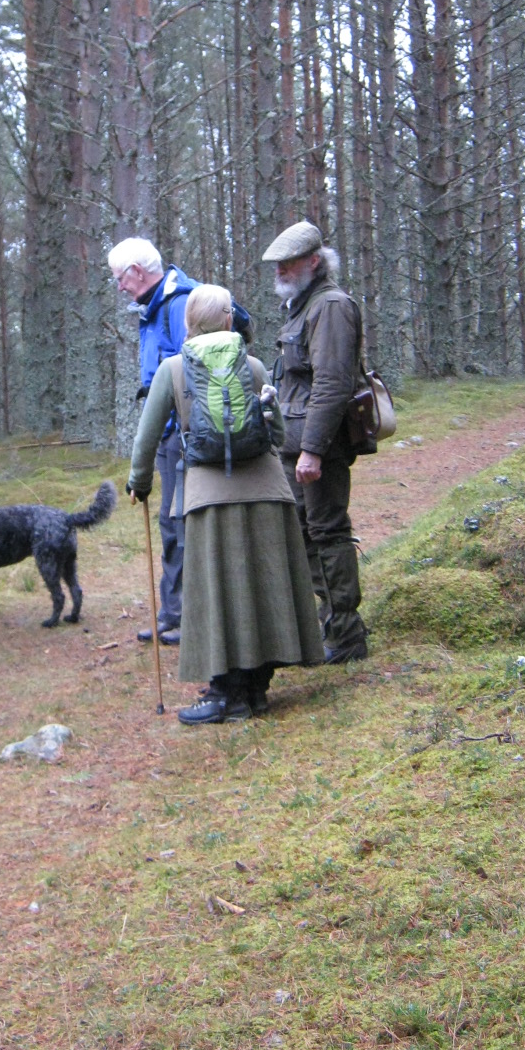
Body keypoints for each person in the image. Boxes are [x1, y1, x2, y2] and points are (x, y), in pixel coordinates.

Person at [127, 283, 323, 724]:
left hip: (208, 499)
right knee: (264, 587)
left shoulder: (173, 369)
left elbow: (147, 437)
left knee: (217, 594)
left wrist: (139, 482)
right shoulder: (252, 366)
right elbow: (276, 436)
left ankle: (225, 696)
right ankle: (255, 690)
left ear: (188, 322)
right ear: (230, 320)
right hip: (267, 492)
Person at [262, 220, 369, 662]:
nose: (280, 271)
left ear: (313, 261)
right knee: (303, 532)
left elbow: (332, 383)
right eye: (277, 264)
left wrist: (313, 450)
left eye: (288, 263)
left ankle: (346, 633)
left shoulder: (331, 307)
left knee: (327, 531)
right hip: (295, 446)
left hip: (317, 449)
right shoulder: (303, 306)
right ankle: (329, 622)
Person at [106, 238, 198, 647]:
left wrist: (176, 427)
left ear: (137, 272)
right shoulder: (153, 306)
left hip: (184, 433)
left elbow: (189, 372)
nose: (119, 287)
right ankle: (172, 613)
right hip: (166, 431)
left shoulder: (179, 304)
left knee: (182, 523)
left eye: (120, 279)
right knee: (169, 522)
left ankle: (187, 616)